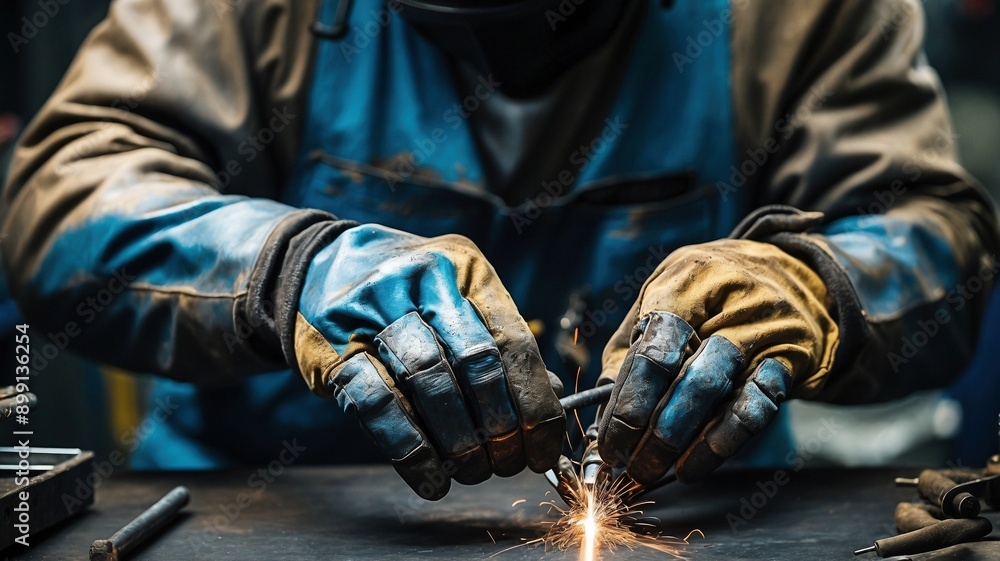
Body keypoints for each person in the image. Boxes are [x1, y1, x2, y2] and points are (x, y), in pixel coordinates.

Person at [2, 0, 997, 501]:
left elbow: (935, 239)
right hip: (280, 505)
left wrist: (815, 289)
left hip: (695, 514)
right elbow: (61, 203)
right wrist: (288, 271)